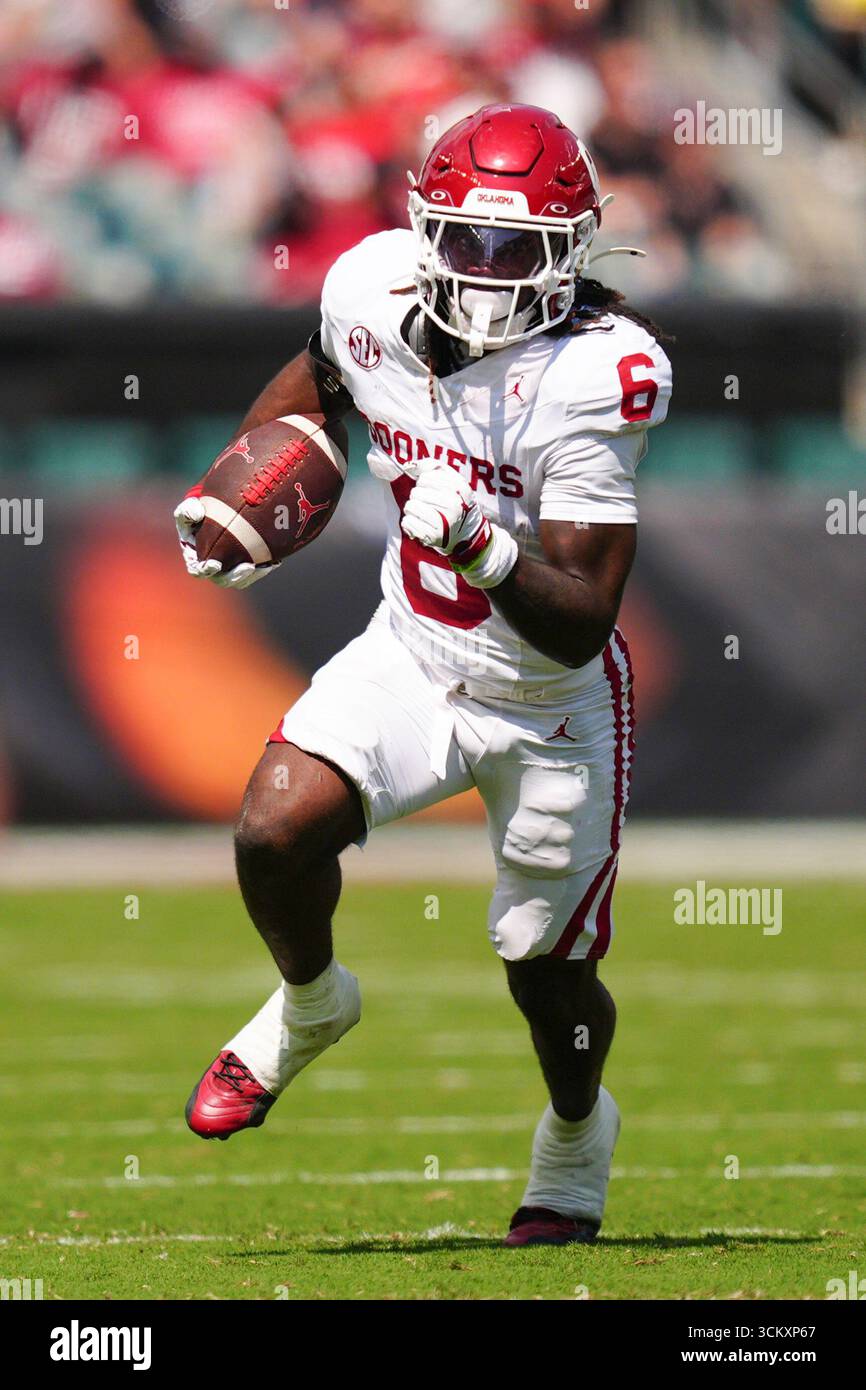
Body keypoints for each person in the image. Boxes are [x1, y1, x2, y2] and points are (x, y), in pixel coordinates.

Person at [175, 103, 671, 1247]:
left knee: (546, 977)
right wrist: (240, 498)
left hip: (549, 707)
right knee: (272, 827)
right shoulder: (369, 292)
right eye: (465, 242)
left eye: (518, 251)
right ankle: (309, 1005)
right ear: (419, 229)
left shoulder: (601, 374)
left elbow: (581, 620)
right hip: (410, 651)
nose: (487, 274)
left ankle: (575, 1129)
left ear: (574, 254)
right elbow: (313, 386)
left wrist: (483, 548)